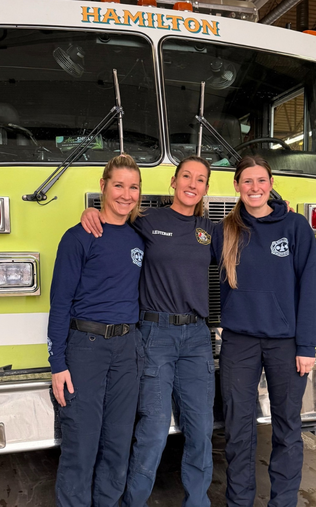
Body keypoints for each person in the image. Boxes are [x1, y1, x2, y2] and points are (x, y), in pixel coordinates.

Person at [81, 156, 216, 507]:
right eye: (186, 176)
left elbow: (251, 234)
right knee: (154, 431)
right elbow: (112, 224)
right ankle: (133, 502)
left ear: (205, 188)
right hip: (156, 336)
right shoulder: (147, 222)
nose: (192, 184)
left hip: (198, 339)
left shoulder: (209, 230)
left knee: (201, 430)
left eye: (200, 179)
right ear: (173, 182)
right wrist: (89, 214)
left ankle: (198, 501)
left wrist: (279, 208)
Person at [215, 155, 316, 507]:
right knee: (238, 428)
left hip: (286, 344)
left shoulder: (295, 227)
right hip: (239, 342)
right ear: (236, 187)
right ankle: (239, 501)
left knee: (287, 429)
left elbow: (310, 286)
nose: (255, 187)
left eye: (261, 180)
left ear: (271, 183)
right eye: (247, 181)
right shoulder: (225, 230)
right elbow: (178, 242)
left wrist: (306, 345)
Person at [48, 154, 146, 507]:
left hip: (127, 349)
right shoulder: (78, 238)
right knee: (81, 445)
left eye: (133, 187)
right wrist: (57, 364)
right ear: (103, 187)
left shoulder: (139, 238)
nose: (126, 194)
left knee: (118, 445)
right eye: (118, 185)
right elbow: (59, 304)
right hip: (85, 348)